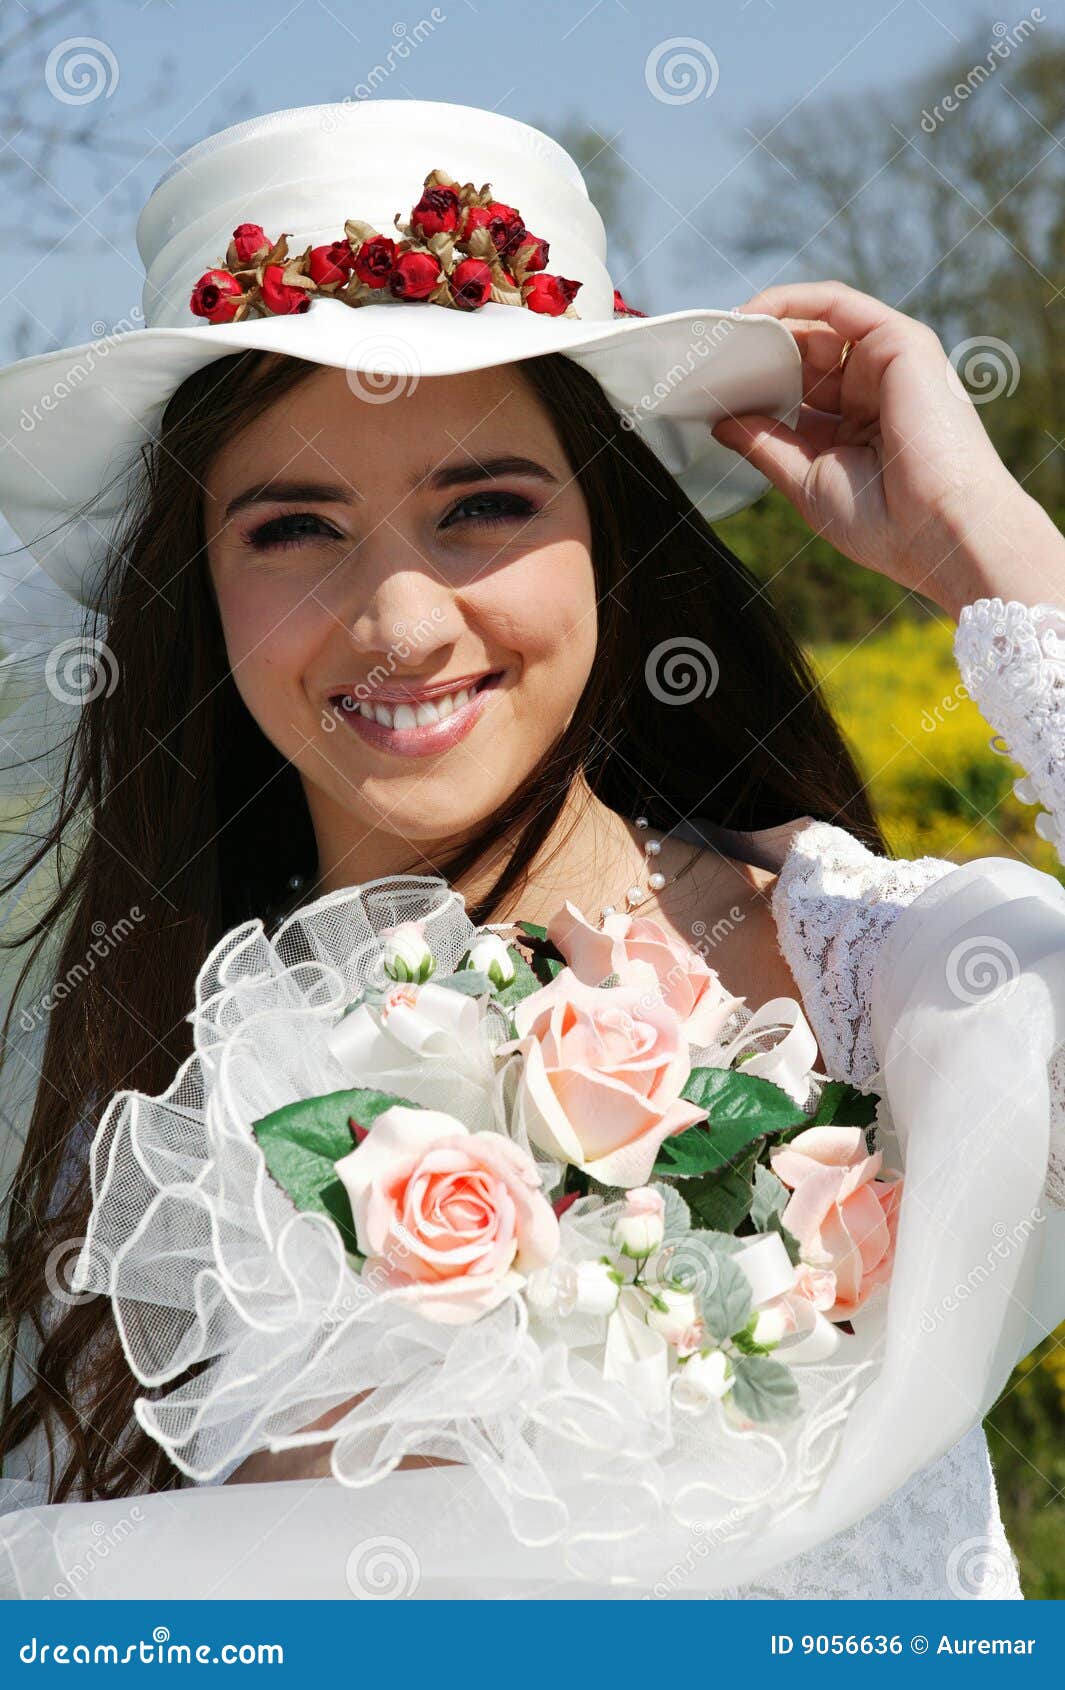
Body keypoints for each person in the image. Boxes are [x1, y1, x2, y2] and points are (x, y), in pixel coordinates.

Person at [0, 98, 1062, 1601]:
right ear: (200, 582)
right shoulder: (131, 1124)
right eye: (292, 527)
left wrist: (984, 552)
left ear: (607, 539)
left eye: (483, 506)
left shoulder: (875, 973)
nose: (403, 622)